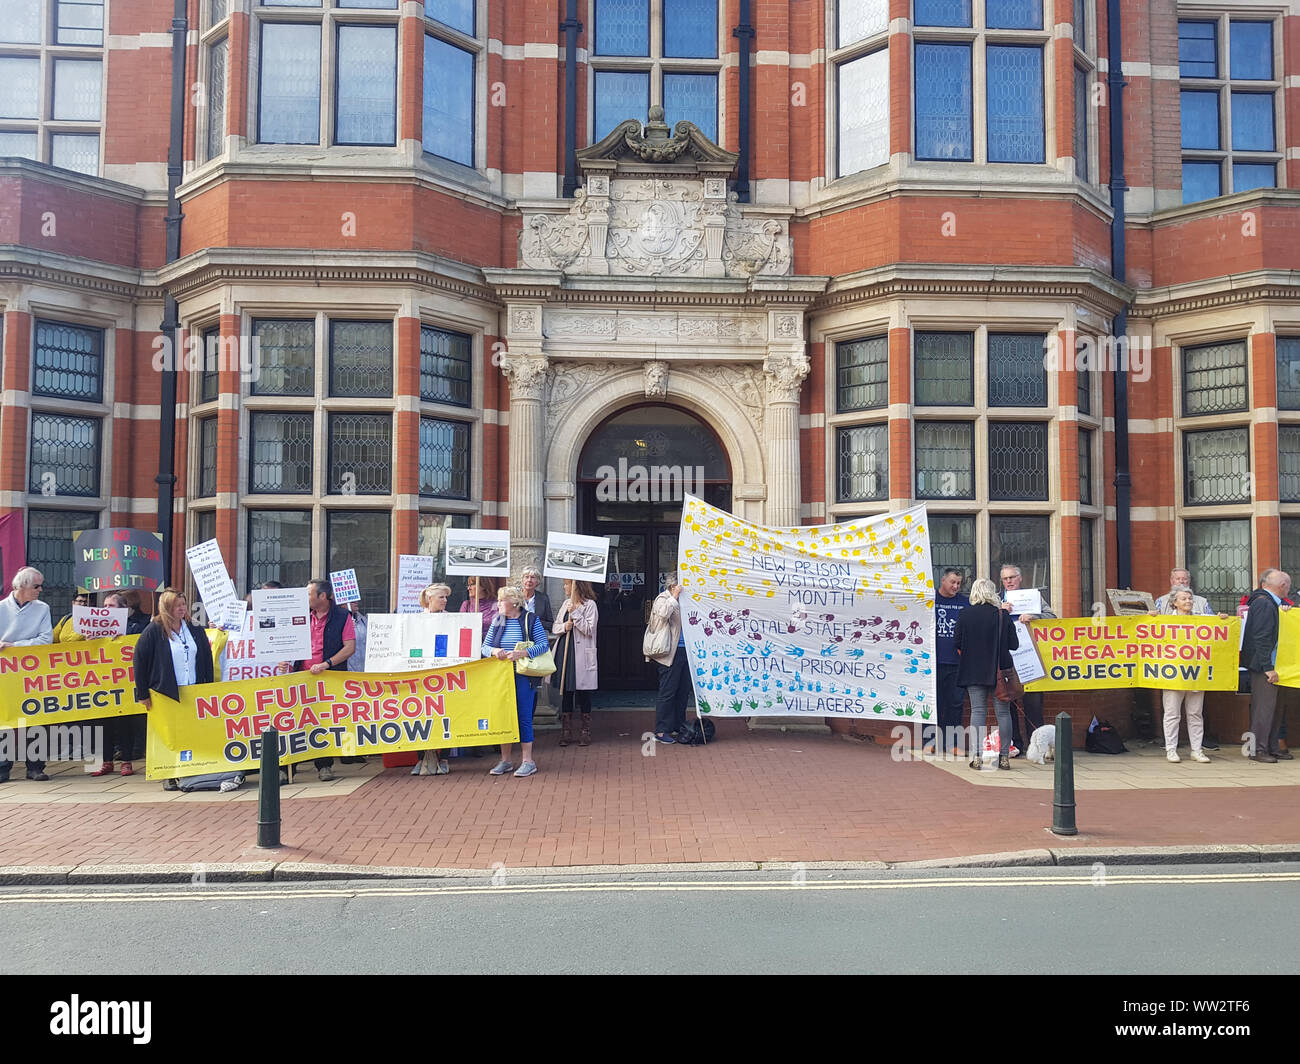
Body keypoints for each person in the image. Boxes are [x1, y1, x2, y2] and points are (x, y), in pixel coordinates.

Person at [133, 588, 215, 791]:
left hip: (193, 689)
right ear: (167, 608)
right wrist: (142, 693)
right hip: (166, 691)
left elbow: (205, 657)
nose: (182, 609)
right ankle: (168, 773)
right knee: (169, 735)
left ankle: (191, 769)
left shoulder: (194, 627)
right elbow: (139, 661)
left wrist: (208, 685)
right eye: (177, 606)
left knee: (191, 732)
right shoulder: (154, 630)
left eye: (183, 605)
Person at [63, 591, 138, 777]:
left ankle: (126, 761)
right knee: (102, 723)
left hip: (122, 683)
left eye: (111, 606)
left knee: (124, 723)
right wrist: (89, 642)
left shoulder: (133, 627)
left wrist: (122, 637)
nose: (106, 609)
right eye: (104, 606)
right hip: (101, 683)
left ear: (123, 609)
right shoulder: (94, 629)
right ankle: (106, 761)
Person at [482, 585, 550, 778]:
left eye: (501, 600)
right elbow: (485, 647)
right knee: (504, 715)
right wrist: (496, 652)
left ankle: (528, 760)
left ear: (513, 602)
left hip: (524, 675)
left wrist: (522, 653)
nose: (498, 604)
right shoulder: (498, 620)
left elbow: (543, 645)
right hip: (502, 677)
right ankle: (506, 760)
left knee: (523, 716)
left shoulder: (531, 619)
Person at [956, 577, 1019, 770]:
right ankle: (1004, 757)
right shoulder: (1002, 615)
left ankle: (976, 757)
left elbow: (957, 643)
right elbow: (1014, 645)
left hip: (973, 670)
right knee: (1003, 713)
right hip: (999, 672)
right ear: (993, 593)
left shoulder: (964, 615)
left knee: (977, 712)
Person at [1159, 588, 1227, 764]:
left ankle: (1197, 750)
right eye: (1183, 598)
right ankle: (1171, 749)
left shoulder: (1202, 619)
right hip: (1173, 674)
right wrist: (1151, 617)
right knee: (1172, 714)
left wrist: (1223, 620)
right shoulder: (1164, 620)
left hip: (1197, 673)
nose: (1188, 601)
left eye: (1189, 598)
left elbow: (1219, 629)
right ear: (1174, 602)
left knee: (1195, 713)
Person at [298, 579, 356, 781]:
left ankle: (324, 765)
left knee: (323, 720)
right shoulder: (300, 614)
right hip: (301, 676)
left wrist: (326, 664)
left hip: (328, 677)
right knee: (297, 720)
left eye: (309, 593)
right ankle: (288, 766)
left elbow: (349, 648)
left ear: (322, 596)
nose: (306, 597)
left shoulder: (342, 616)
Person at [0, 567, 53, 782]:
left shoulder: (42, 609)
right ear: (21, 586)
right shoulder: (2, 608)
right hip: (6, 672)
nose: (40, 590)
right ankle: (3, 767)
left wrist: (14, 646)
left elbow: (46, 639)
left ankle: (35, 767)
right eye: (36, 586)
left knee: (35, 717)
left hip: (33, 671)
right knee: (5, 718)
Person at [998, 564, 1055, 756]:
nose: (1009, 582)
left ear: (1020, 578)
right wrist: (999, 611)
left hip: (1031, 658)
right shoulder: (997, 599)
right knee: (1009, 704)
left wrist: (1034, 616)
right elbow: (986, 623)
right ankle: (1015, 745)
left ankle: (1037, 746)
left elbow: (1052, 617)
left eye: (1012, 577)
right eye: (1005, 579)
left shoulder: (1034, 597)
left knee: (1033, 704)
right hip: (1007, 659)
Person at [1241, 568, 1293, 764]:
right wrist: (1267, 666)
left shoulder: (1270, 603)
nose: (1288, 588)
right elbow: (1261, 637)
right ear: (1282, 586)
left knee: (1274, 708)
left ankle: (1271, 747)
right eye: (1286, 585)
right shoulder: (1264, 604)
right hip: (1265, 665)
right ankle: (1258, 749)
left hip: (1273, 663)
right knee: (1263, 709)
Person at [413, 583, 453, 776]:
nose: (445, 601)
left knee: (446, 714)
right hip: (423, 673)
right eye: (441, 597)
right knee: (421, 714)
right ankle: (422, 758)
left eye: (446, 598)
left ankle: (444, 757)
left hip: (445, 673)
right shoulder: (416, 620)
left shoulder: (452, 619)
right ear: (430, 599)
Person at [552, 579, 598, 747]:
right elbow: (556, 626)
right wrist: (565, 626)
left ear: (575, 587)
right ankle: (566, 730)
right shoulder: (565, 603)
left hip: (582, 653)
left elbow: (589, 629)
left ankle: (585, 730)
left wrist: (577, 614)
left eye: (567, 584)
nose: (564, 587)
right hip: (566, 650)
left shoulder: (590, 605)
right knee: (567, 690)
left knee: (583, 691)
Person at [646, 576, 687, 744]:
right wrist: (674, 597)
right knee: (668, 691)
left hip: (685, 651)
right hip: (670, 652)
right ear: (672, 586)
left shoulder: (687, 599)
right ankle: (661, 730)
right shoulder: (663, 598)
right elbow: (662, 615)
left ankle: (678, 725)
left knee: (682, 692)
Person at [932, 568, 969, 756]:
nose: (955, 586)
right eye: (952, 582)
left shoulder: (965, 603)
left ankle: (953, 743)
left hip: (957, 663)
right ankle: (930, 741)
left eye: (958, 583)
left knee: (955, 704)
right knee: (933, 704)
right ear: (943, 580)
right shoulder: (930, 600)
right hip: (932, 663)